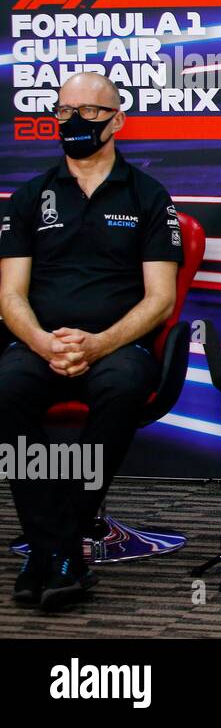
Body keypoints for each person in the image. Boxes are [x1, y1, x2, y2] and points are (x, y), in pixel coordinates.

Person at [0, 72, 184, 610]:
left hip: (117, 348)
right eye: (63, 111)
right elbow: (8, 293)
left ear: (118, 120)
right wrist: (40, 342)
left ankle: (52, 547)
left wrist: (99, 344)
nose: (73, 121)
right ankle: (60, 550)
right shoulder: (31, 196)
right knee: (3, 390)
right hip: (39, 345)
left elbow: (160, 300)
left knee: (124, 388)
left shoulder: (149, 196)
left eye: (89, 111)